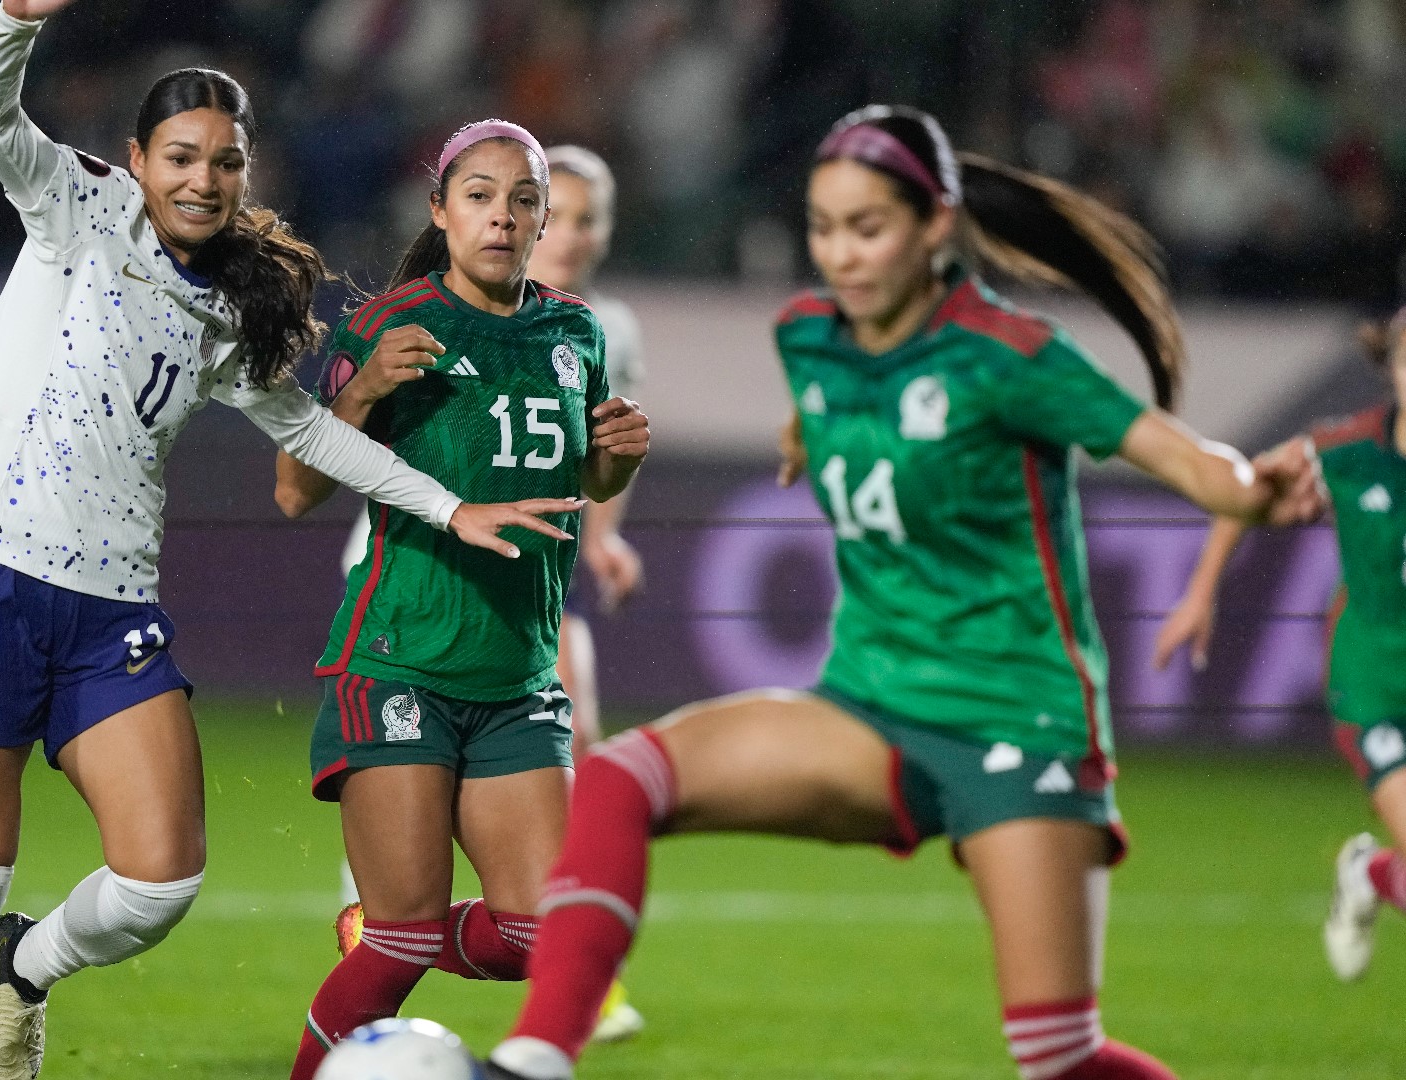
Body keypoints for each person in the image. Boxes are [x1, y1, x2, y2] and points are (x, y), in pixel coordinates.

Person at [484, 104, 1325, 1080]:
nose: (841, 254)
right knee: (625, 776)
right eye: (824, 228)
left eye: (868, 228)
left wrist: (1251, 491)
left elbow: (1184, 459)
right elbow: (832, 409)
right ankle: (536, 1059)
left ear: (934, 228)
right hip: (873, 707)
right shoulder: (809, 337)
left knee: (1057, 1055)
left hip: (1018, 717)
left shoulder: (1009, 355)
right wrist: (809, 435)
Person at [0, 6, 579, 1079]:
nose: (204, 179)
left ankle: (27, 961)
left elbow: (304, 433)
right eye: (181, 157)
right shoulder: (77, 206)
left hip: (112, 606)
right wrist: (13, 24)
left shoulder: (233, 304)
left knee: (160, 883)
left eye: (226, 161)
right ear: (136, 161)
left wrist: (449, 508)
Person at [272, 119, 649, 1079]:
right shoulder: (390, 327)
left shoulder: (573, 330)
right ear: (440, 211)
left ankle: (388, 934)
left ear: (542, 218)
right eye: (479, 196)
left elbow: (587, 484)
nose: (502, 216)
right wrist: (356, 399)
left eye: (522, 200)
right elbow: (294, 490)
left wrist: (614, 456)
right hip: (402, 662)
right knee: (398, 942)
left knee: (538, 933)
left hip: (518, 677)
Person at [1155, 308, 1406, 982]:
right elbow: (1245, 492)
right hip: (1376, 685)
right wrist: (1200, 593)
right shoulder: (1344, 451)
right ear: (1393, 369)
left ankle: (1373, 872)